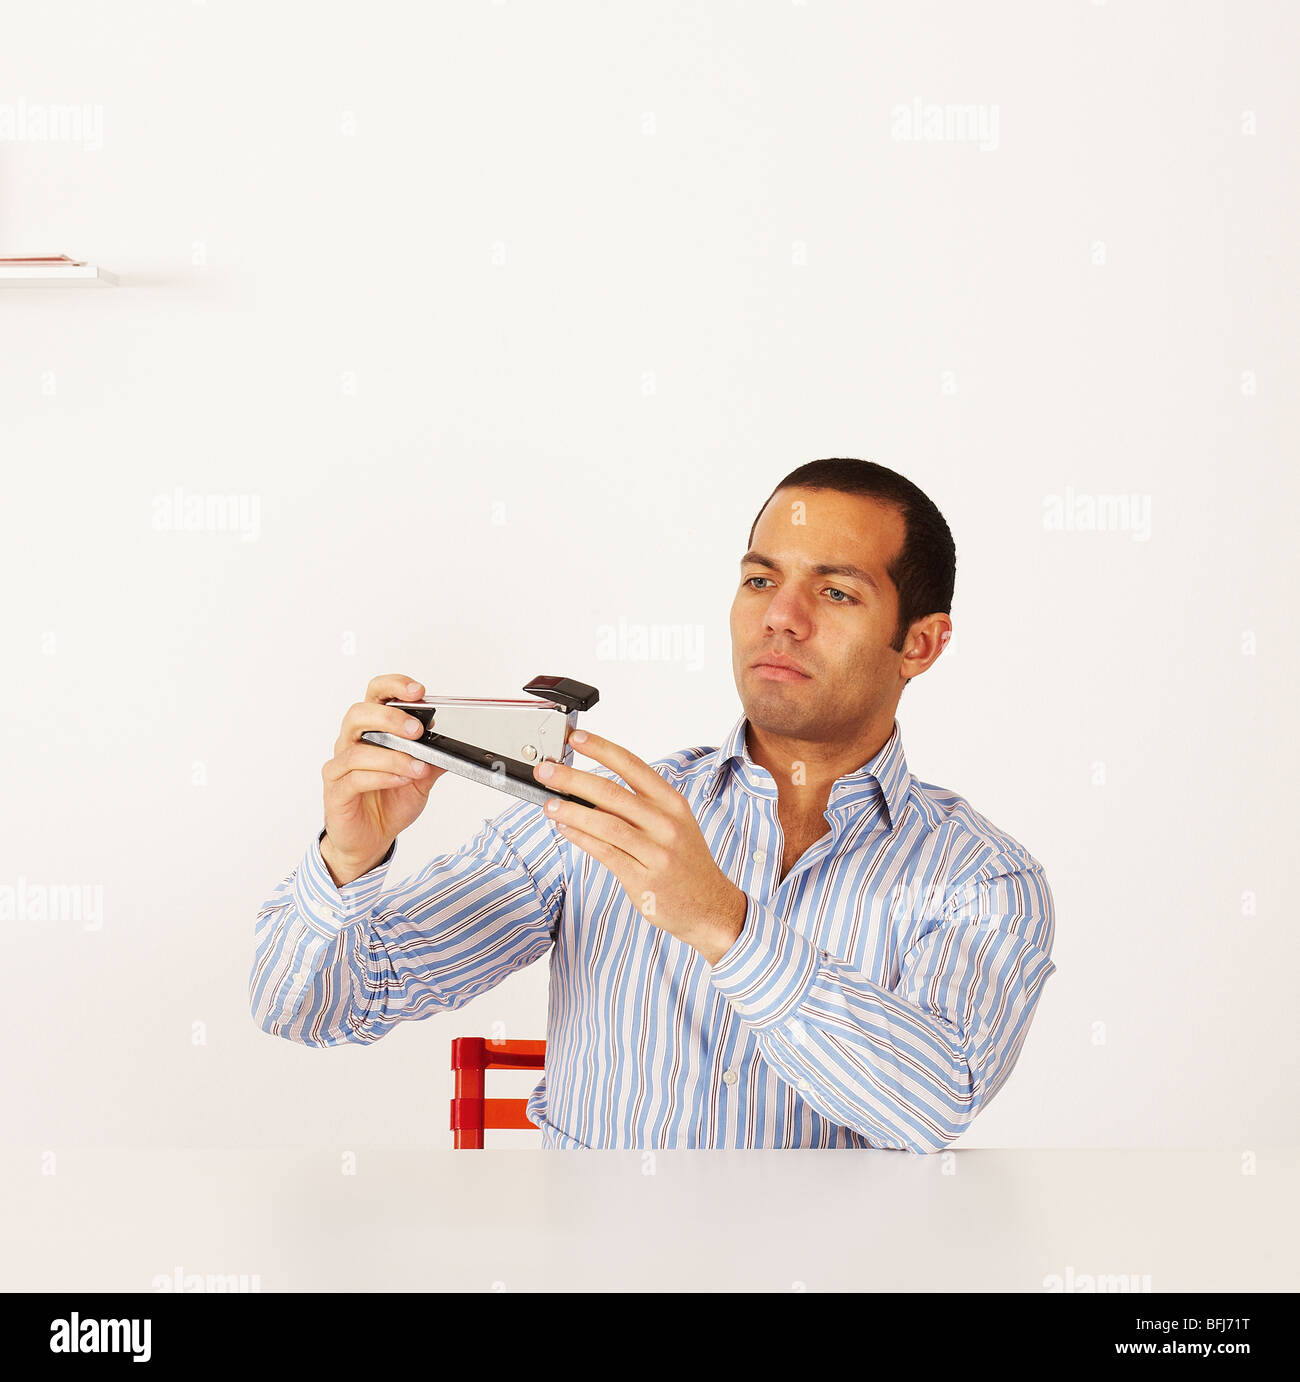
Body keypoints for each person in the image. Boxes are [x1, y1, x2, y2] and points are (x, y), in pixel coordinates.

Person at [250, 458, 1056, 1150]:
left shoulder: (985, 879)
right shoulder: (595, 816)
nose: (781, 616)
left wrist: (724, 924)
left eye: (837, 592)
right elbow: (312, 1009)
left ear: (920, 643)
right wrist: (348, 860)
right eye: (760, 580)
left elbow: (928, 1107)